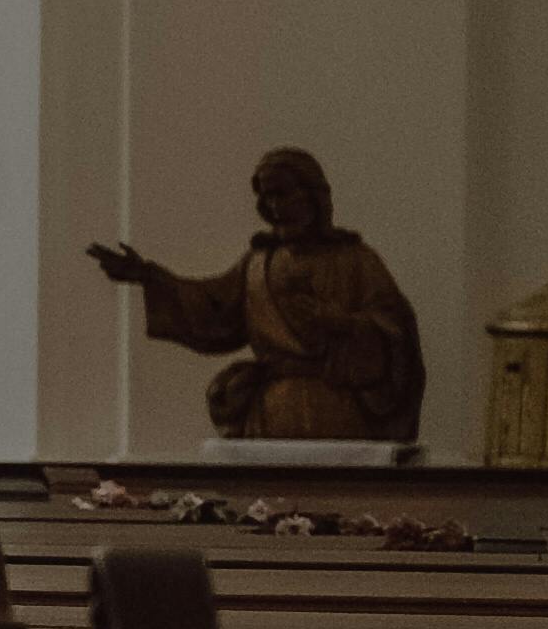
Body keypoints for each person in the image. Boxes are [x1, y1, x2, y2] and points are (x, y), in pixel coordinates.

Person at [89, 147, 428, 442]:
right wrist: (149, 276)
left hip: (338, 412)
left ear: (313, 195)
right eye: (267, 197)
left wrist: (342, 323)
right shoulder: (258, 264)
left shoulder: (356, 260)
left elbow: (396, 331)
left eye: (283, 193)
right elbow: (214, 308)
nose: (275, 206)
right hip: (269, 415)